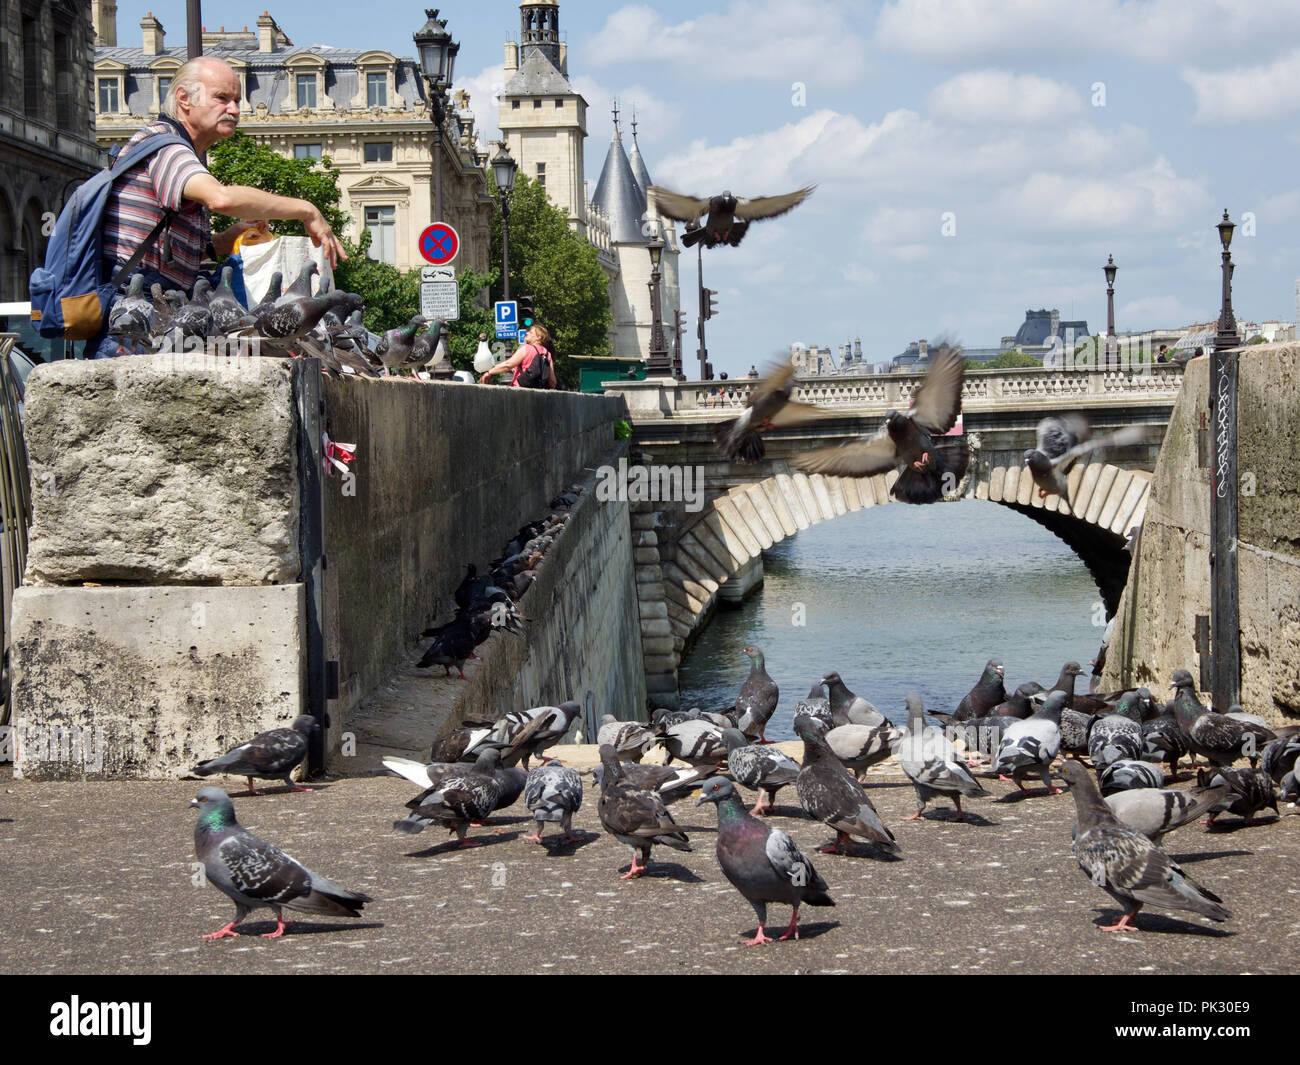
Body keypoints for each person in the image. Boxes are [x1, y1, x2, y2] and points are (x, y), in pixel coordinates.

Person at [88, 55, 346, 358]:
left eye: (237, 100)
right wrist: (307, 209)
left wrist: (223, 241)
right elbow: (220, 198)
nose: (235, 110)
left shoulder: (175, 149)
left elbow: (165, 245)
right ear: (184, 99)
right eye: (222, 98)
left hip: (157, 306)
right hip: (137, 312)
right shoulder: (166, 146)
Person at [480, 323, 557, 388]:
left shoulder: (526, 348)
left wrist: (489, 372)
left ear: (538, 337)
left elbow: (508, 365)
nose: (527, 333)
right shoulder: (547, 354)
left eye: (530, 332)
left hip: (521, 392)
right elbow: (553, 382)